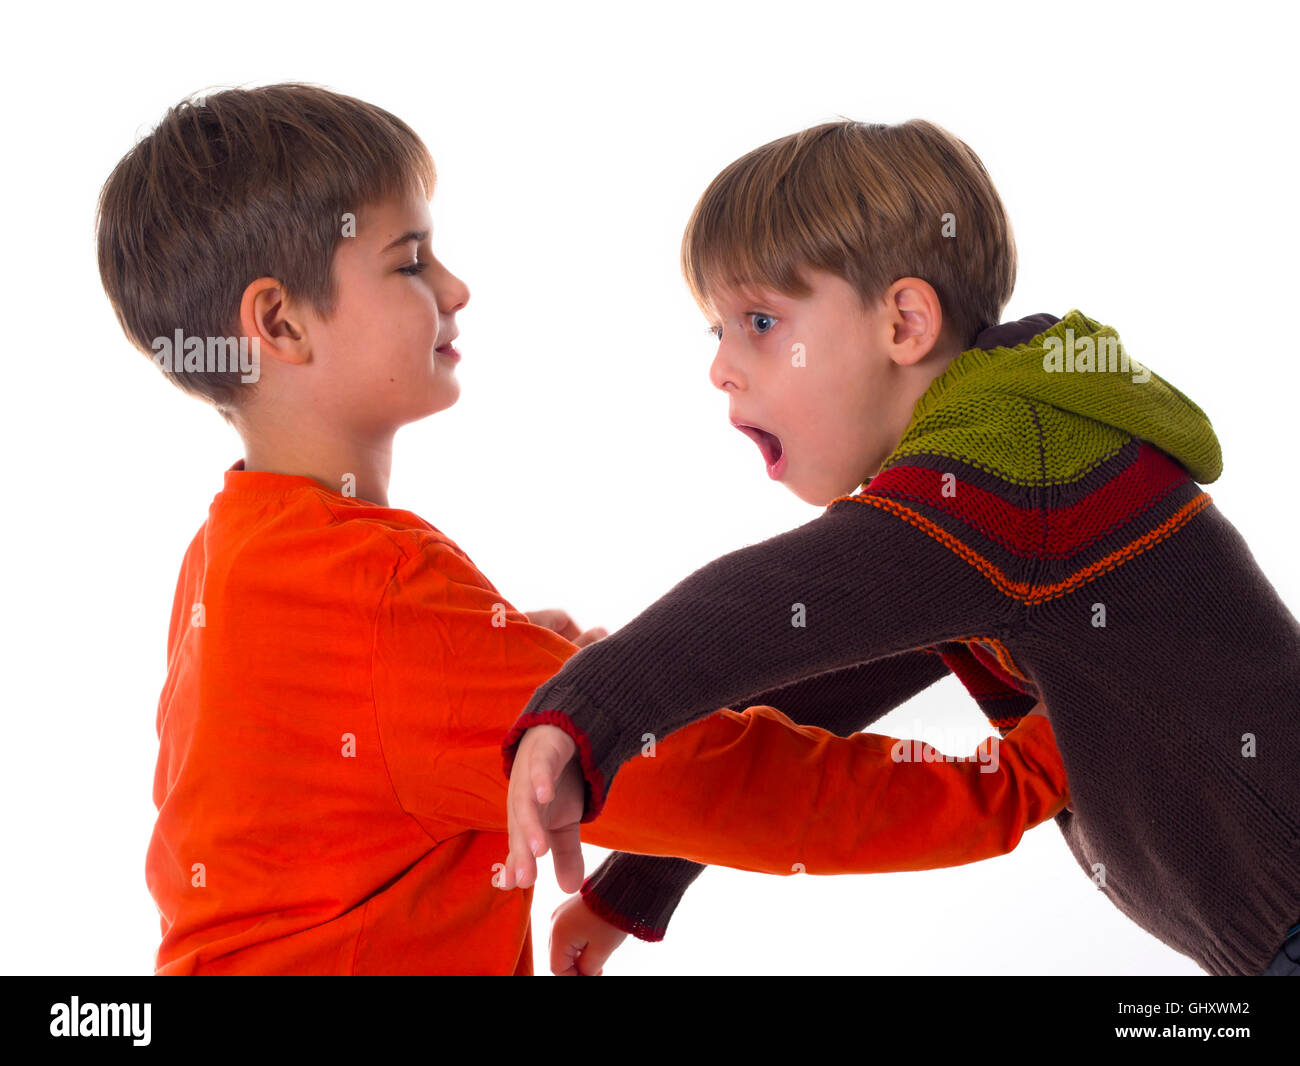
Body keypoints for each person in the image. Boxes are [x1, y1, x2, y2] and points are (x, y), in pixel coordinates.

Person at [97, 86, 1070, 975]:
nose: (455, 287)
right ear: (279, 323)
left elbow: (338, 784)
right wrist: (1018, 777)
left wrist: (519, 669)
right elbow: (718, 784)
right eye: (409, 261)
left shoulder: (239, 549)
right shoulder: (376, 591)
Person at [502, 118, 1300, 978]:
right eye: (716, 332)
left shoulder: (1012, 461)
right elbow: (819, 680)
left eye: (761, 321)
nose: (722, 367)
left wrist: (587, 710)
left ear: (905, 323)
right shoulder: (983, 503)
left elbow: (777, 603)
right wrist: (640, 885)